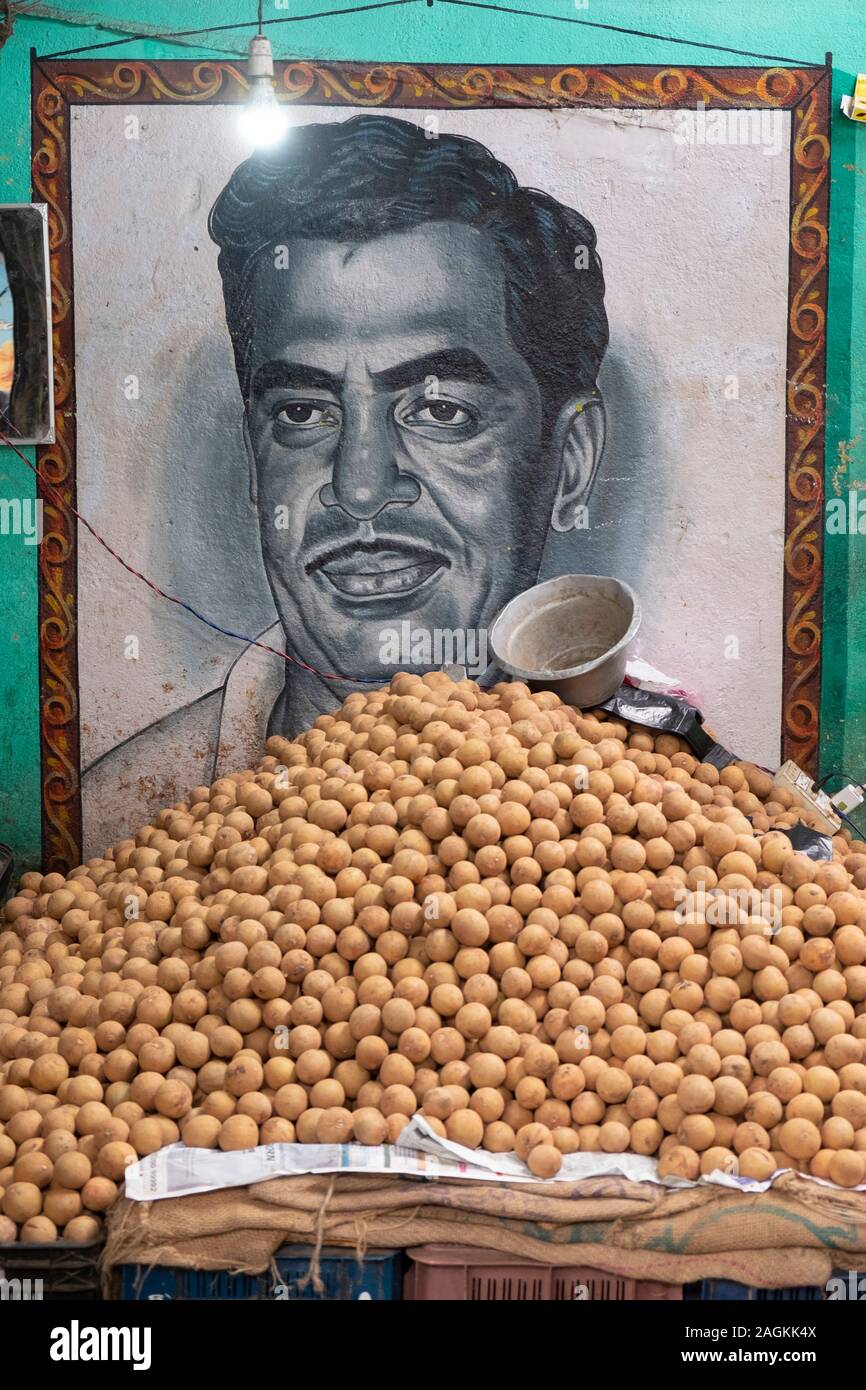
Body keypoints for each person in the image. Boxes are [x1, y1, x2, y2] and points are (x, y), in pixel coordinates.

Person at [82, 113, 609, 852]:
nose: (360, 488)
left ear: (572, 460)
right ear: (255, 462)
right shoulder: (121, 821)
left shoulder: (663, 806)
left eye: (439, 410)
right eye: (303, 411)